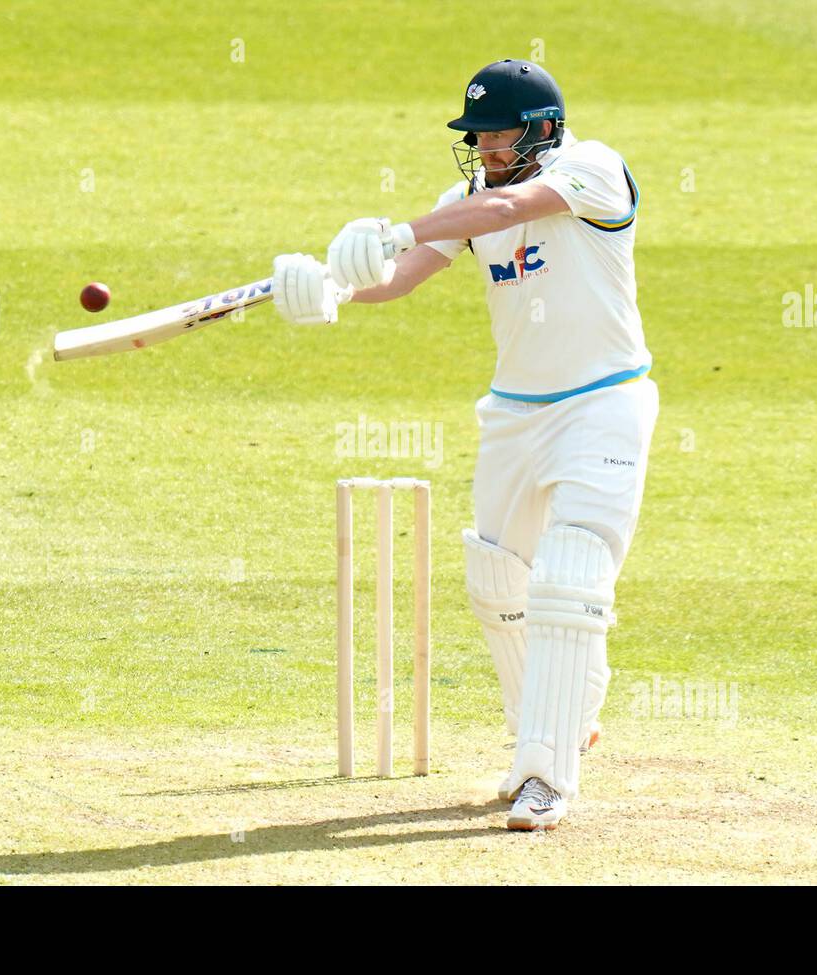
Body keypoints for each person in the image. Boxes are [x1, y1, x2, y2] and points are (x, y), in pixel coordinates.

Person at [273, 59, 658, 831]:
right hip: (515, 412)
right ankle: (557, 717)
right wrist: (331, 288)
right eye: (475, 137)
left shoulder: (593, 169)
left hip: (603, 404)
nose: (483, 150)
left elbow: (509, 206)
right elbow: (404, 275)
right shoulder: (468, 198)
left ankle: (545, 775)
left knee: (570, 576)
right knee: (495, 581)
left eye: (496, 134)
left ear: (544, 128)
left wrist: (398, 226)